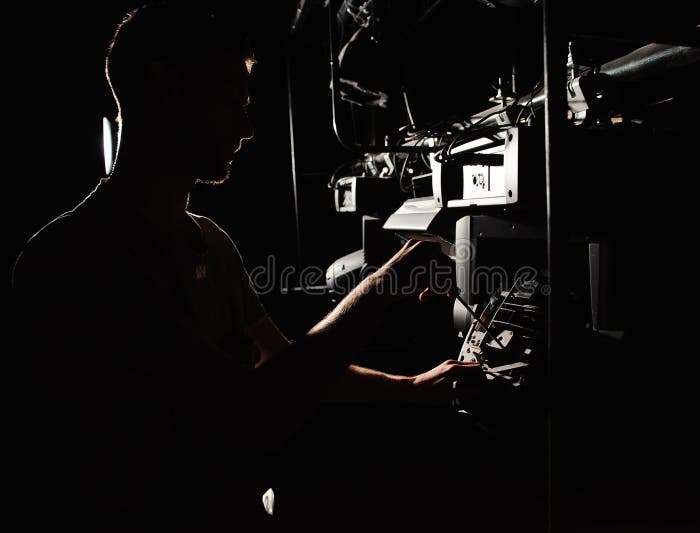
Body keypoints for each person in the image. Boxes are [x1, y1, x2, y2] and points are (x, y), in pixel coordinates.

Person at [11, 3, 484, 531]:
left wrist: (413, 387)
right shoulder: (75, 261)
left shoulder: (211, 242)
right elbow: (252, 410)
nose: (247, 126)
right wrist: (383, 284)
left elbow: (288, 366)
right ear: (166, 87)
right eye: (231, 101)